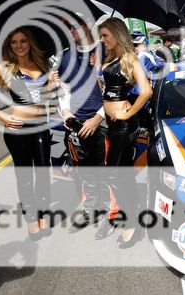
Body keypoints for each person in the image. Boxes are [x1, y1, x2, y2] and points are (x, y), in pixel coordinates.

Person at [0, 27, 54, 240]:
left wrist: (53, 86)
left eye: (23, 41)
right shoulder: (3, 68)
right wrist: (3, 117)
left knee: (43, 172)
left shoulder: (42, 65)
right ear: (8, 46)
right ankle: (32, 220)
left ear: (30, 43)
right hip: (17, 128)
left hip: (40, 125)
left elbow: (47, 100)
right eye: (14, 42)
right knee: (25, 176)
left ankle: (44, 216)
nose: (19, 46)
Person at [96, 18, 152, 246]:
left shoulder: (130, 59)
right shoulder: (111, 58)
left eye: (106, 35)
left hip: (123, 125)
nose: (102, 40)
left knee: (116, 175)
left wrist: (128, 114)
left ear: (118, 35)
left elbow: (146, 90)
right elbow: (106, 89)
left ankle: (132, 224)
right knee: (121, 174)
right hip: (112, 124)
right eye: (101, 36)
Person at [50, 17, 108, 235]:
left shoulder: (105, 49)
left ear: (87, 26)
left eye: (75, 26)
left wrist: (98, 117)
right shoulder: (65, 56)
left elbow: (117, 91)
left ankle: (109, 215)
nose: (72, 31)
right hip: (76, 123)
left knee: (108, 172)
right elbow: (64, 89)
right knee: (86, 171)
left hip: (104, 124)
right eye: (68, 28)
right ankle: (92, 209)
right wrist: (64, 111)